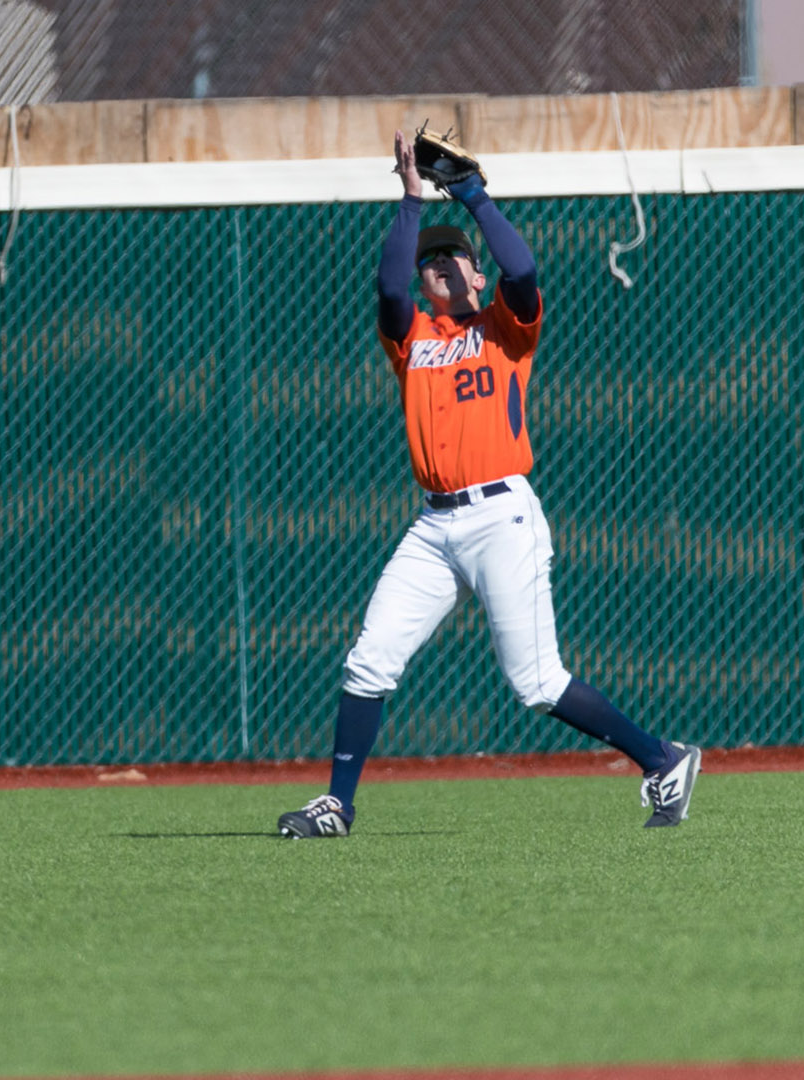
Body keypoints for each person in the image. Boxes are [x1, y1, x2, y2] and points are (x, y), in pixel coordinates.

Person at [276, 130, 701, 838]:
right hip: (434, 526)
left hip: (502, 517)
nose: (441, 265)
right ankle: (337, 804)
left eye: (456, 258)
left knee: (536, 683)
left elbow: (524, 267)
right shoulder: (412, 338)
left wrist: (473, 196)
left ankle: (662, 760)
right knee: (369, 660)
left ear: (476, 277)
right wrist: (412, 203)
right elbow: (386, 283)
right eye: (431, 262)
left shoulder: (507, 329)